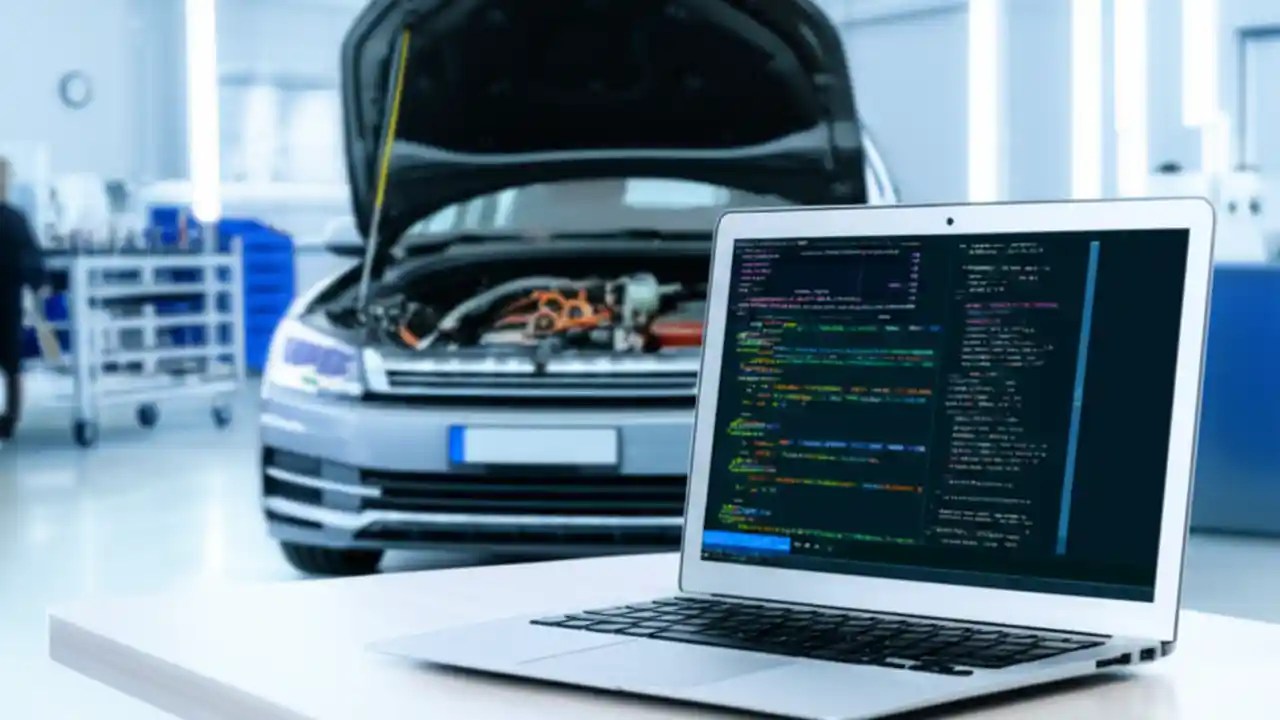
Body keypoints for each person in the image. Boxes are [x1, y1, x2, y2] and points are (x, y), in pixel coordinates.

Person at [0, 157, 46, 440]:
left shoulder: (14, 219)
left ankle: (10, 418)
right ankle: (10, 419)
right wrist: (40, 284)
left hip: (6, 298)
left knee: (11, 361)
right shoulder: (14, 219)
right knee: (11, 362)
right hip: (6, 299)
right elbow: (30, 260)